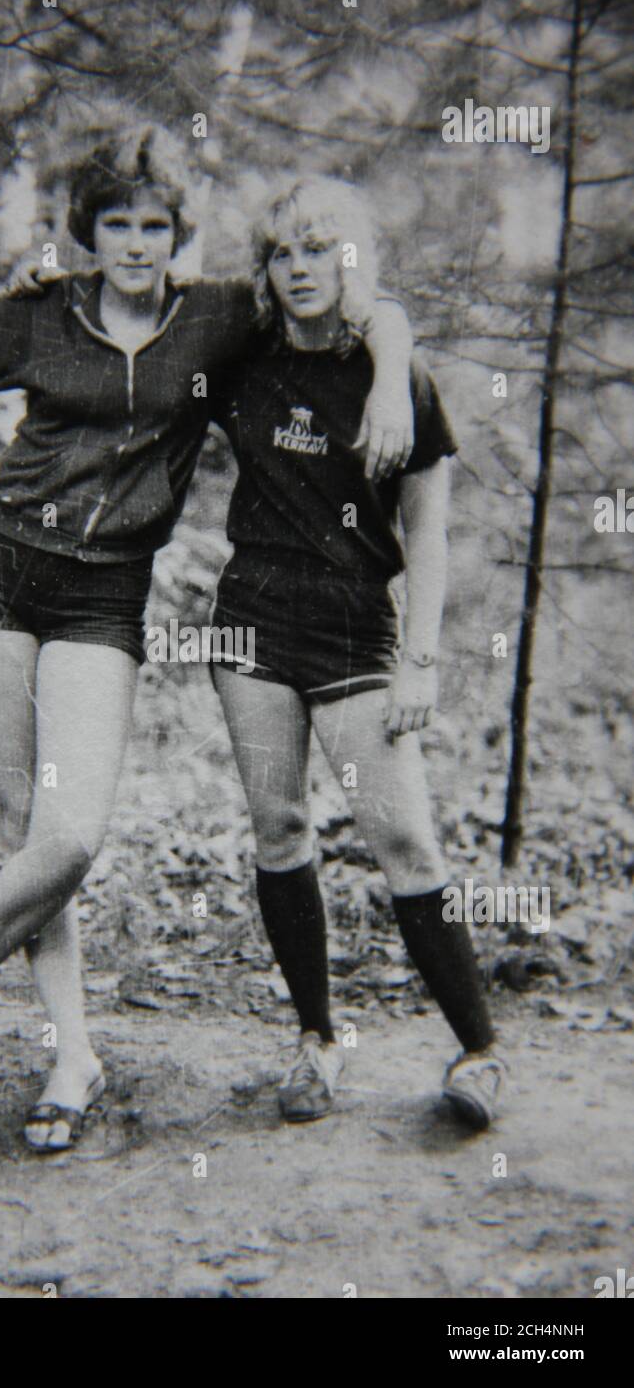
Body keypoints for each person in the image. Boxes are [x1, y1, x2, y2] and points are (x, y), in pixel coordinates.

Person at [0, 127, 418, 1151]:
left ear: (177, 233)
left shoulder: (215, 316)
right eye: (114, 224)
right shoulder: (40, 315)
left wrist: (388, 374)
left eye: (152, 225)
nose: (133, 243)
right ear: (87, 232)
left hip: (101, 594)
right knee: (20, 827)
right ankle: (70, 1050)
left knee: (68, 836)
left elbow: (346, 299)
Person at [209, 175, 505, 1130]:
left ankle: (480, 1053)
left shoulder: (397, 377)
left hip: (353, 628)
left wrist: (421, 660)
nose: (299, 270)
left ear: (354, 261)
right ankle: (316, 1042)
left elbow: (428, 535)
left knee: (405, 840)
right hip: (251, 621)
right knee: (280, 831)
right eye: (282, 252)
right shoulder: (244, 356)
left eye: (319, 250)